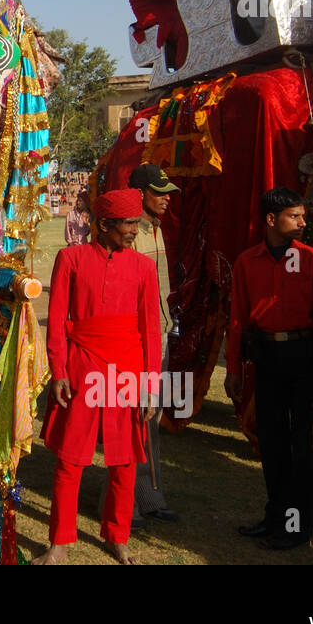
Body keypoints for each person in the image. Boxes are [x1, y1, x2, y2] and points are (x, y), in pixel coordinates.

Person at [34, 189, 162, 565]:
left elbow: (151, 330)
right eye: (128, 224)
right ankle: (58, 541)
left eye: (137, 223)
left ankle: (117, 535)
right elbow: (56, 319)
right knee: (70, 459)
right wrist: (58, 371)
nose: (134, 231)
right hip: (82, 364)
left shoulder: (144, 267)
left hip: (127, 369)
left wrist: (150, 384)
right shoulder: (70, 258)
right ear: (104, 224)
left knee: (124, 461)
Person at [224, 187, 313, 549]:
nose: (303, 222)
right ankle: (274, 519)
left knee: (303, 448)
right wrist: (233, 370)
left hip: (304, 358)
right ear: (272, 220)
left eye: (304, 216)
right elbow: (237, 319)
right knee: (271, 444)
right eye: (295, 216)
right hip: (267, 359)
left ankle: (296, 527)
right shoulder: (246, 262)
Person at [119, 164, 181, 526]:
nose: (167, 199)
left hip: (158, 334)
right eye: (160, 192)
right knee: (130, 419)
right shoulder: (127, 234)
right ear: (140, 193)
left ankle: (150, 496)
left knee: (151, 420)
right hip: (135, 340)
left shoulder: (154, 230)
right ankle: (127, 502)